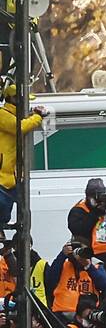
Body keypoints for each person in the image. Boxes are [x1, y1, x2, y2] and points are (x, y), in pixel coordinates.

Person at [0, 84, 46, 225]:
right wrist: (38, 117)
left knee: (7, 208)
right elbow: (20, 127)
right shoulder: (2, 114)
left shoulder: (15, 116)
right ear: (13, 99)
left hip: (11, 176)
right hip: (2, 174)